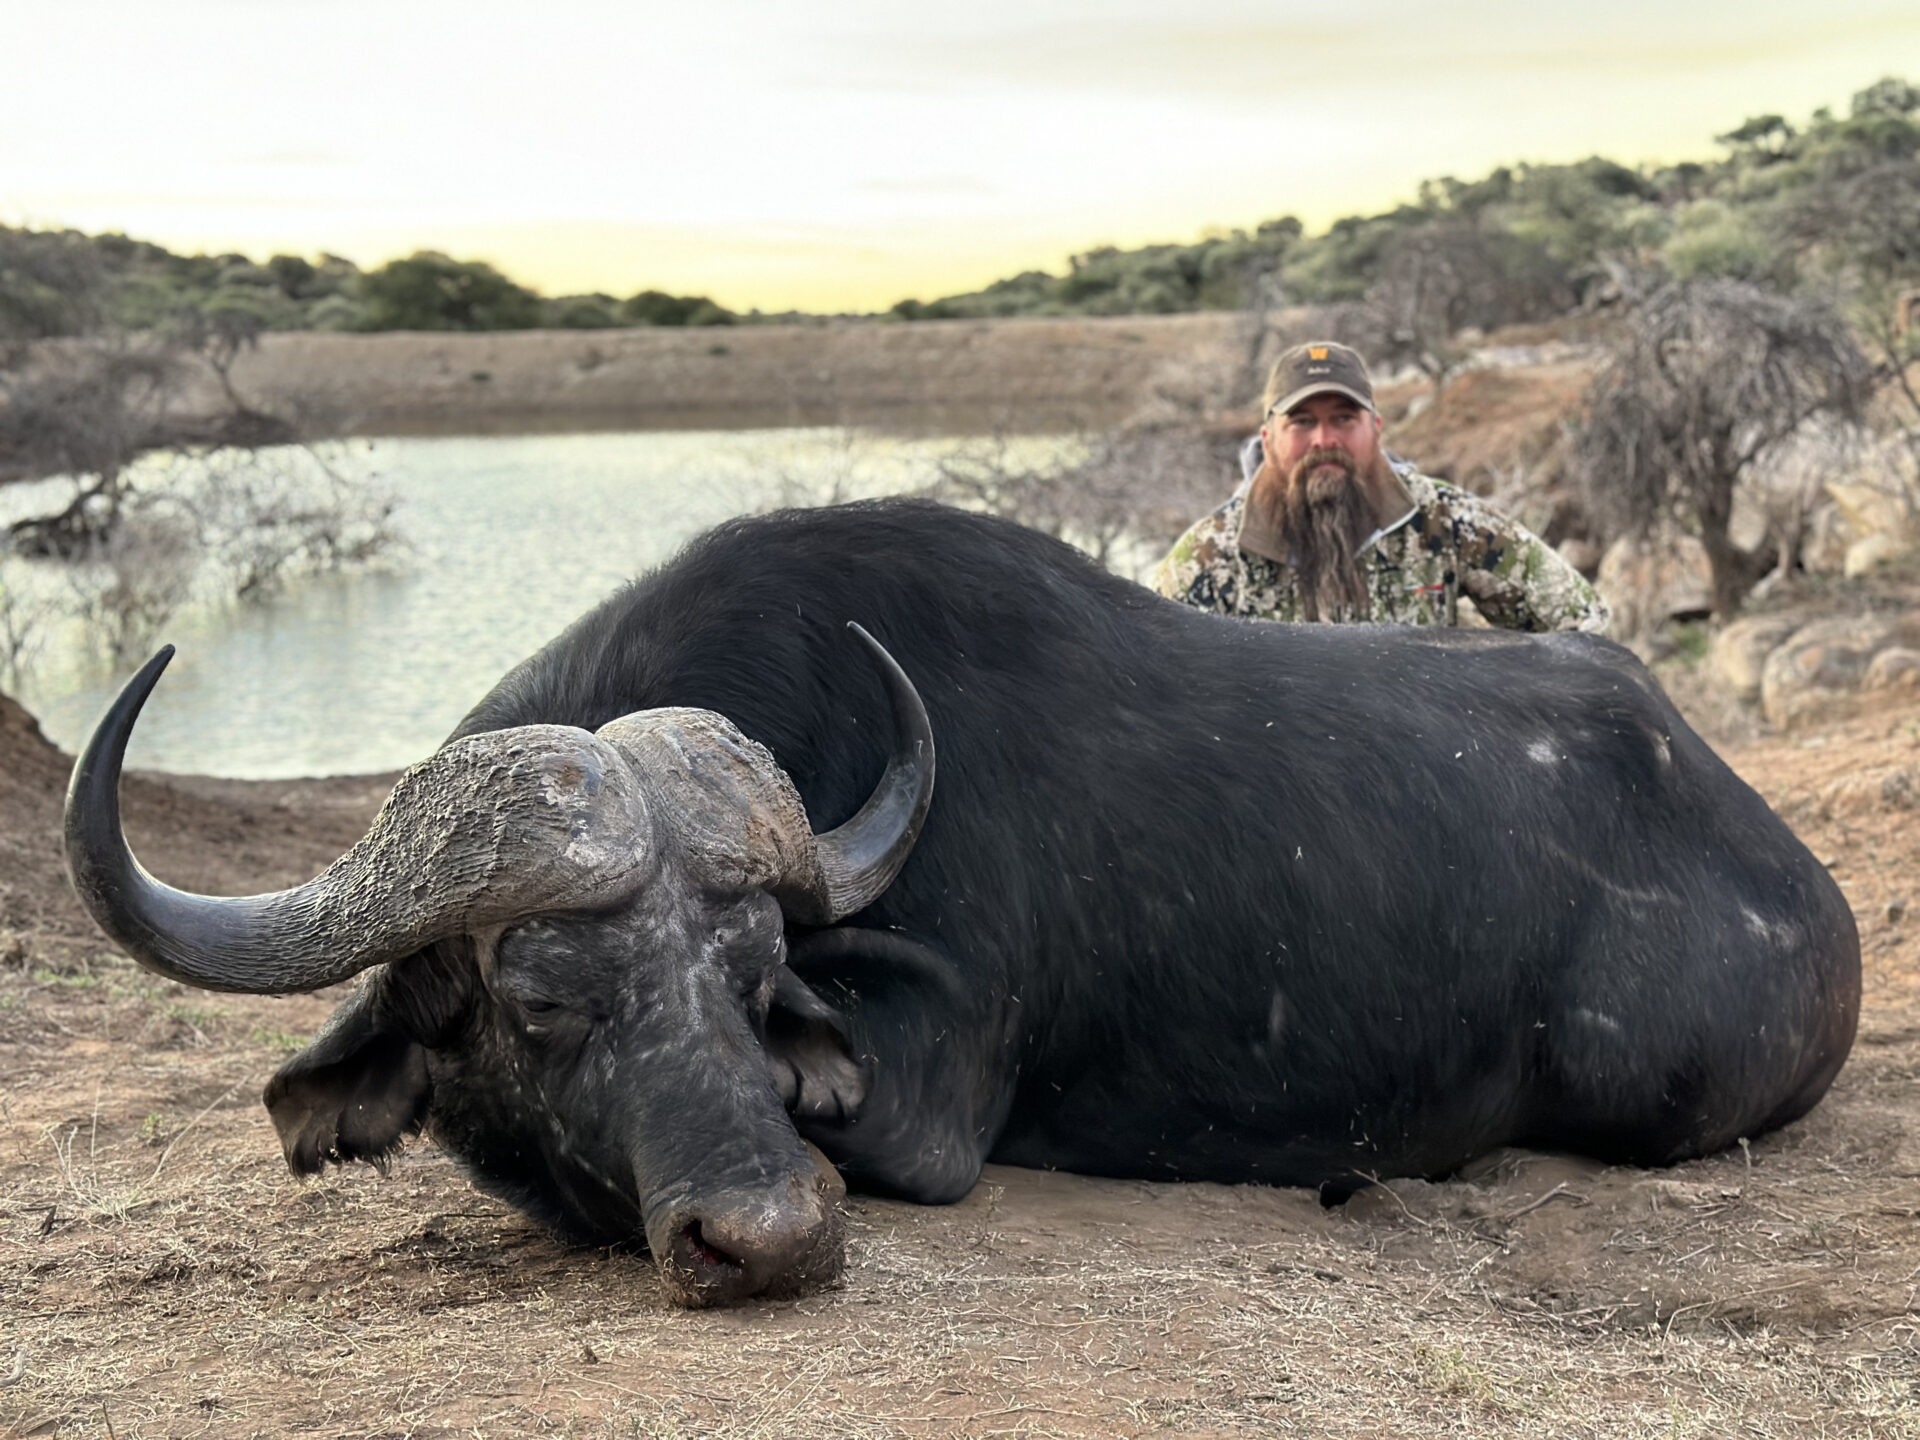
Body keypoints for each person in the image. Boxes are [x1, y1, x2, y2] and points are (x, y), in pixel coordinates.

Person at [1150, 342, 1609, 633]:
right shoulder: (1210, 557)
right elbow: (1148, 684)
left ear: (1377, 429)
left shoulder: (1442, 520)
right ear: (1268, 438)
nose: (1324, 440)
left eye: (1344, 419)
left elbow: (1582, 624)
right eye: (1303, 422)